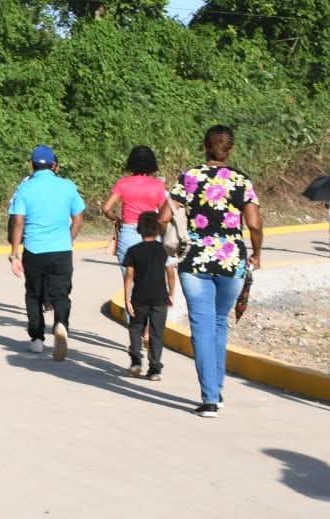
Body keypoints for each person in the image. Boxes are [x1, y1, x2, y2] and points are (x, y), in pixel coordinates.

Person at [170, 125, 263, 418]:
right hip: (231, 260)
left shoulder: (189, 177)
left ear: (205, 146)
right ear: (230, 149)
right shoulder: (241, 181)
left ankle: (210, 397)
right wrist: (258, 252)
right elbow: (255, 224)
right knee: (220, 322)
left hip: (195, 260)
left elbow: (164, 215)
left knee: (202, 326)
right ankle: (217, 389)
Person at [8, 145, 86, 361]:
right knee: (61, 293)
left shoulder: (25, 189)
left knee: (33, 294)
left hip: (34, 250)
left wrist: (15, 253)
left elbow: (18, 221)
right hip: (61, 249)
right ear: (54, 165)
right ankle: (61, 324)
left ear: (32, 165)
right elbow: (79, 218)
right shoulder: (68, 186)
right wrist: (68, 238)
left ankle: (36, 339)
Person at [122, 211, 175, 380]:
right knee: (156, 333)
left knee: (136, 327)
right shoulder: (164, 250)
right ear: (159, 229)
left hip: (139, 297)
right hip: (160, 298)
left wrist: (127, 299)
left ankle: (136, 360)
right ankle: (155, 369)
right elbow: (170, 273)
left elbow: (129, 276)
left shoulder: (133, 251)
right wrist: (171, 294)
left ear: (139, 229)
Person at [102, 146, 170, 272]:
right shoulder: (158, 185)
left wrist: (117, 220)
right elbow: (163, 215)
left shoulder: (123, 183)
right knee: (149, 281)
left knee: (129, 282)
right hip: (151, 234)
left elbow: (106, 208)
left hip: (128, 234)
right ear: (152, 163)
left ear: (131, 162)